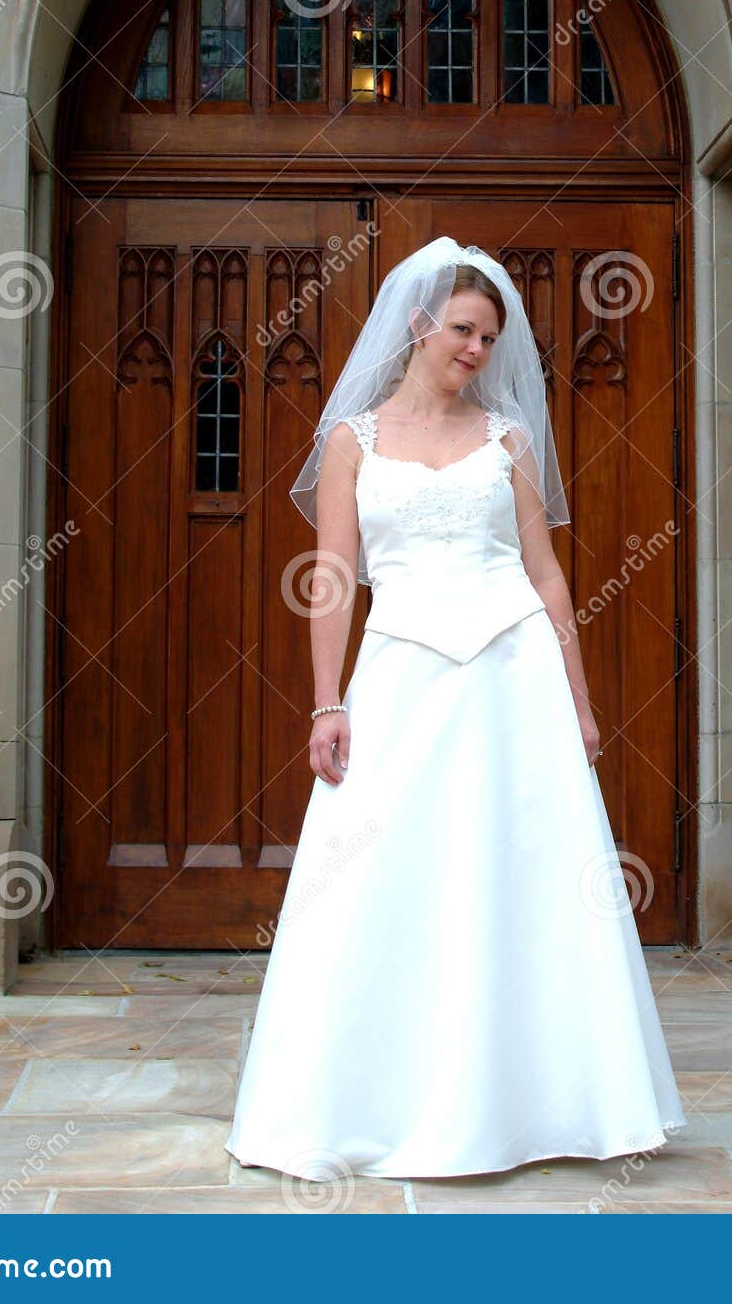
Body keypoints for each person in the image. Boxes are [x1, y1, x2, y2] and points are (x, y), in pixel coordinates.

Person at [225, 235, 686, 1181]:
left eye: (490, 338)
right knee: (376, 875)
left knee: (522, 874)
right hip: (400, 674)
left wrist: (580, 701)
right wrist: (325, 703)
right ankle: (366, 1107)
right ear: (419, 324)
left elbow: (546, 575)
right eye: (465, 331)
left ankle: (545, 1108)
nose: (477, 350)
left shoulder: (509, 440)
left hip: (513, 675)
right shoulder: (350, 441)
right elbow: (333, 577)